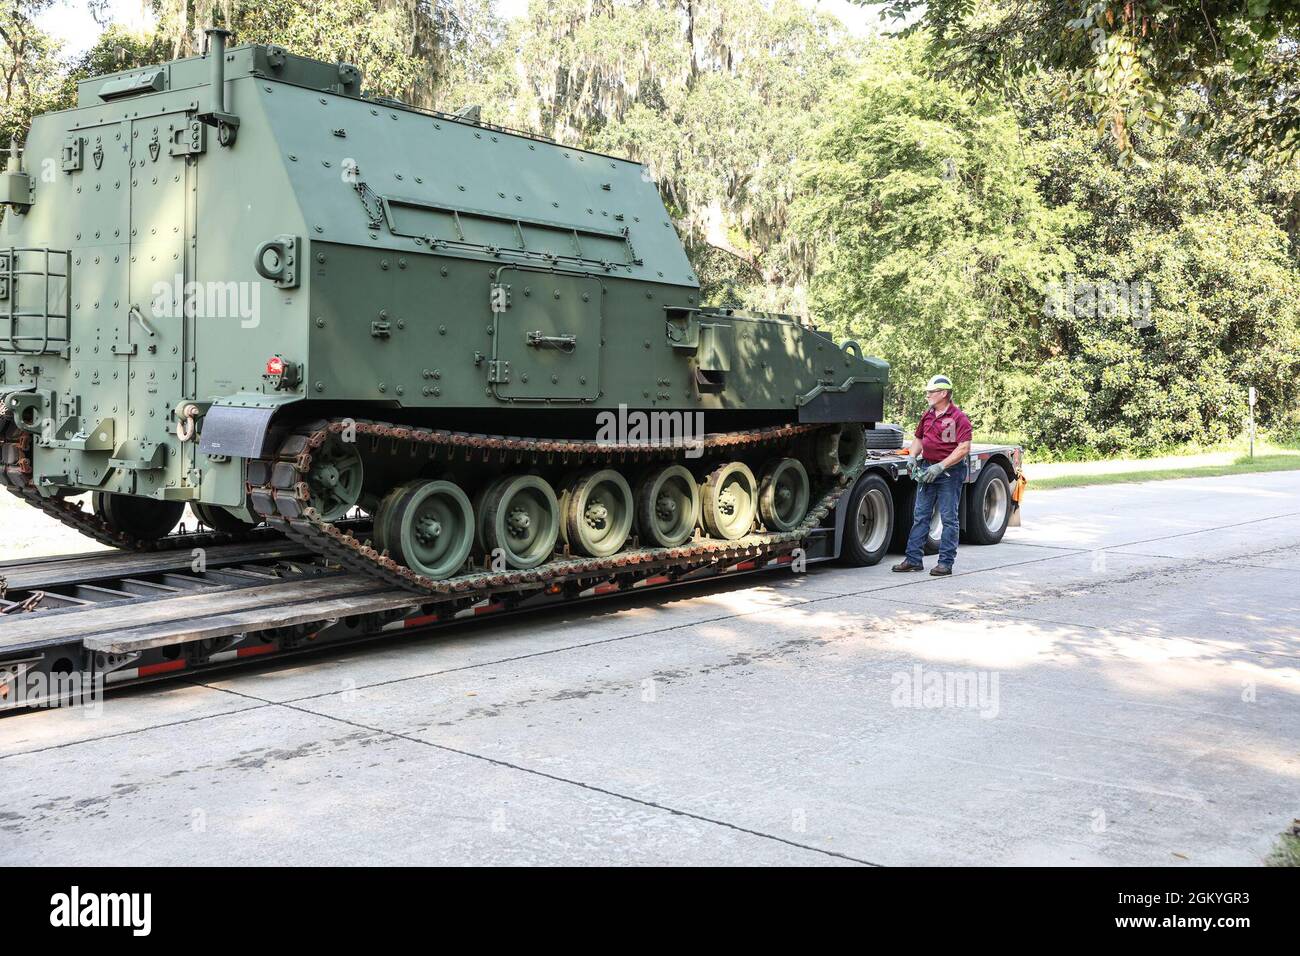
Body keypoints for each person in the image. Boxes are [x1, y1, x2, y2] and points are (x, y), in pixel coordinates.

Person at [891, 374, 972, 576]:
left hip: (949, 474)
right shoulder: (928, 415)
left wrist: (941, 467)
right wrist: (912, 457)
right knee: (920, 516)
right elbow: (918, 439)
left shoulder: (958, 418)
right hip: (927, 468)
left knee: (949, 518)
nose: (927, 395)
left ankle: (945, 563)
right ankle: (913, 560)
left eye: (931, 392)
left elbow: (964, 448)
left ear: (943, 393)